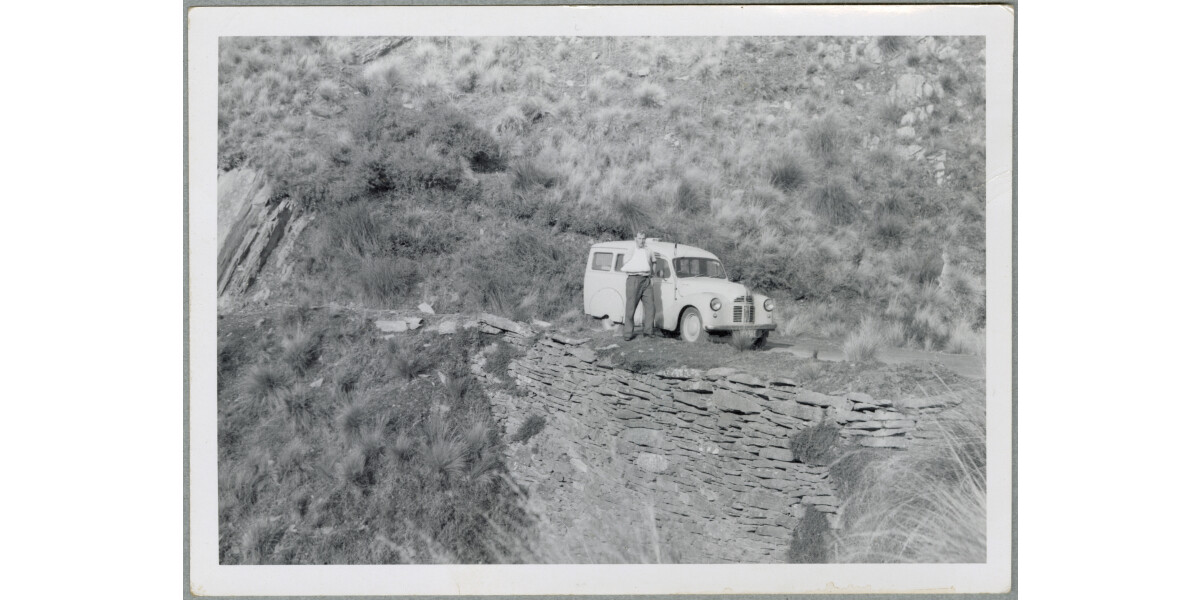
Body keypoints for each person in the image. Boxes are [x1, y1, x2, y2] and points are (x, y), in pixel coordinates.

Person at [620, 232, 660, 341]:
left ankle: (648, 332)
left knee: (650, 307)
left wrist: (652, 273)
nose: (641, 240)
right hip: (633, 279)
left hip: (646, 280)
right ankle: (628, 334)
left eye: (643, 238)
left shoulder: (649, 250)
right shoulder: (630, 250)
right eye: (639, 238)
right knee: (630, 308)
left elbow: (654, 262)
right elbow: (625, 264)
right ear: (635, 239)